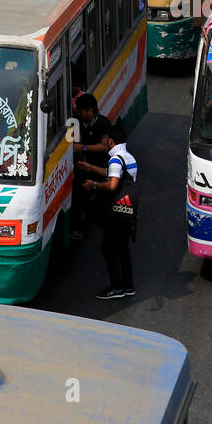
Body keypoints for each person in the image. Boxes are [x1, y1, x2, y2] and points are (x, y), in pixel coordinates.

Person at [79, 122, 138, 300]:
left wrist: (94, 184)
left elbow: (112, 184)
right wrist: (91, 168)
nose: (104, 144)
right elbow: (114, 173)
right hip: (128, 210)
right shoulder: (128, 157)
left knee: (109, 249)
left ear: (111, 141)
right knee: (123, 249)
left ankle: (116, 287)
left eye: (105, 141)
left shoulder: (115, 159)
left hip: (115, 212)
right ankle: (128, 286)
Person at [71, 93, 113, 241]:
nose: (80, 114)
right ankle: (76, 229)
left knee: (103, 197)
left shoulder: (102, 123)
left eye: (82, 112)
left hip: (99, 167)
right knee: (78, 197)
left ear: (90, 111)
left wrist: (83, 148)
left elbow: (104, 147)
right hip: (84, 167)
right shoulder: (77, 122)